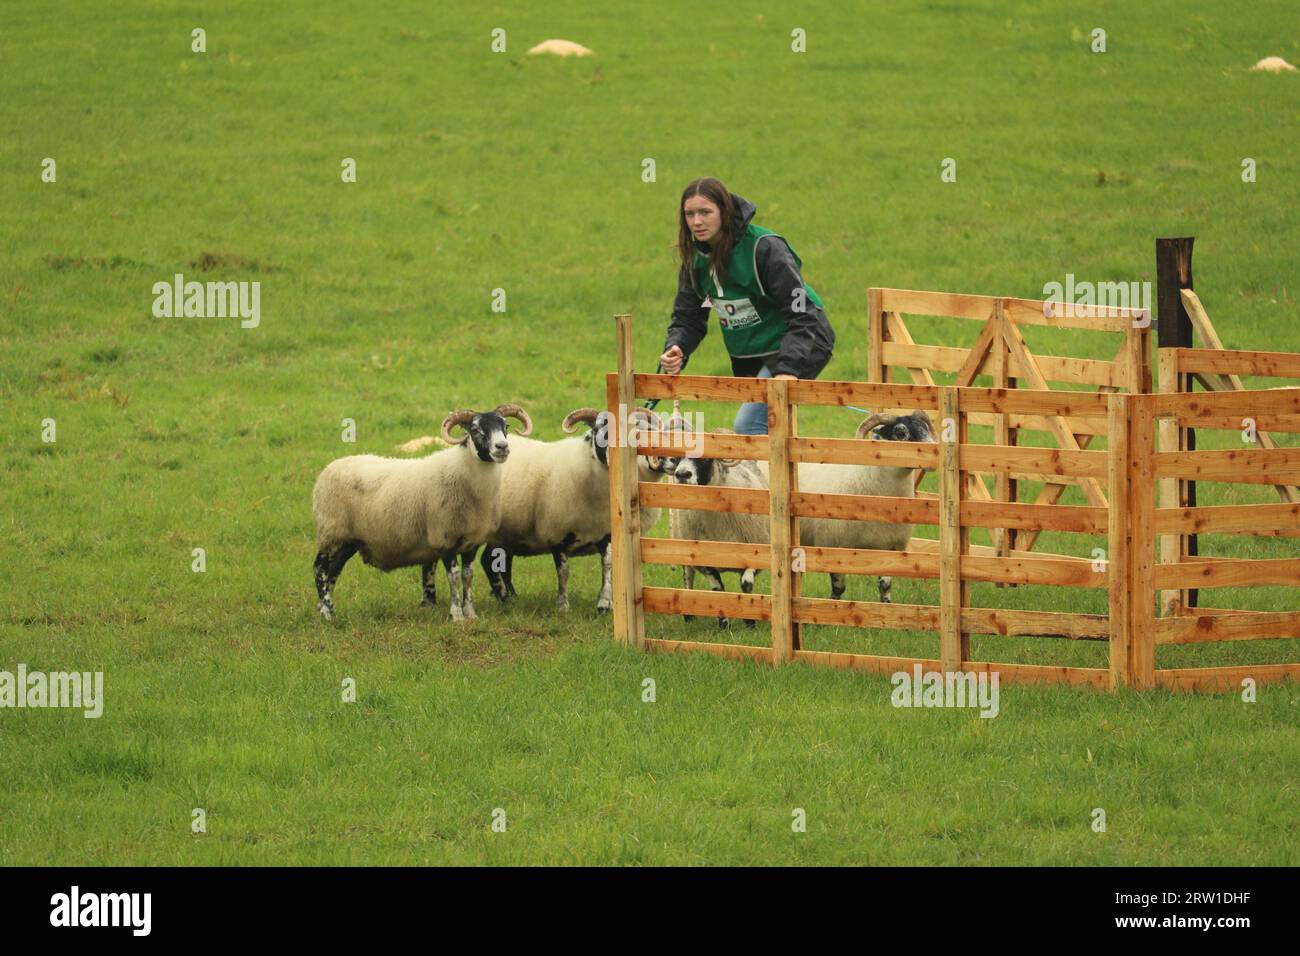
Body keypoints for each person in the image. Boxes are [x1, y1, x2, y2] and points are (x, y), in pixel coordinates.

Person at [658, 177, 835, 434]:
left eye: (705, 212)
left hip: (803, 341)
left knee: (750, 425)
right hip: (754, 352)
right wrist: (677, 346)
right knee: (769, 427)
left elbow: (801, 311)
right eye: (690, 214)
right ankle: (783, 475)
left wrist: (788, 369)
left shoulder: (766, 248)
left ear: (724, 212)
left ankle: (766, 476)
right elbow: (688, 318)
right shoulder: (694, 260)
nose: (697, 221)